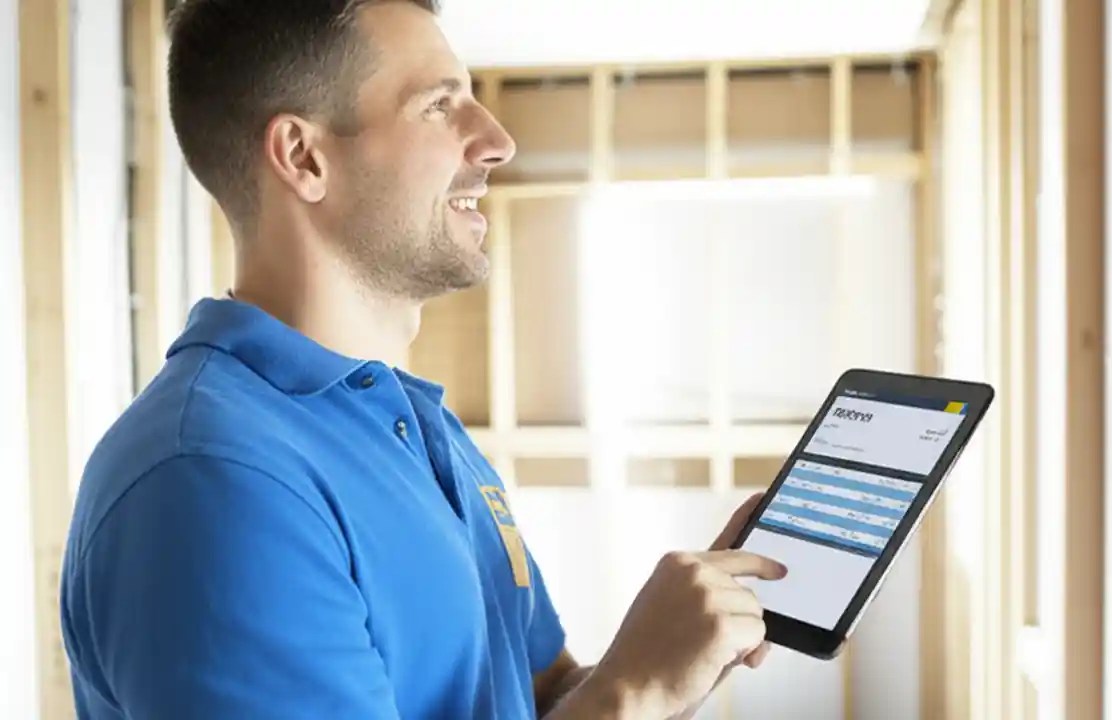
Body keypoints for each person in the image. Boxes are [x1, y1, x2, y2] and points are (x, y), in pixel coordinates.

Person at [59, 1, 789, 718]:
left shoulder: (412, 425)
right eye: (440, 106)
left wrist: (683, 652)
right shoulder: (215, 481)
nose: (498, 140)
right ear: (304, 157)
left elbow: (533, 698)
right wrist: (639, 691)